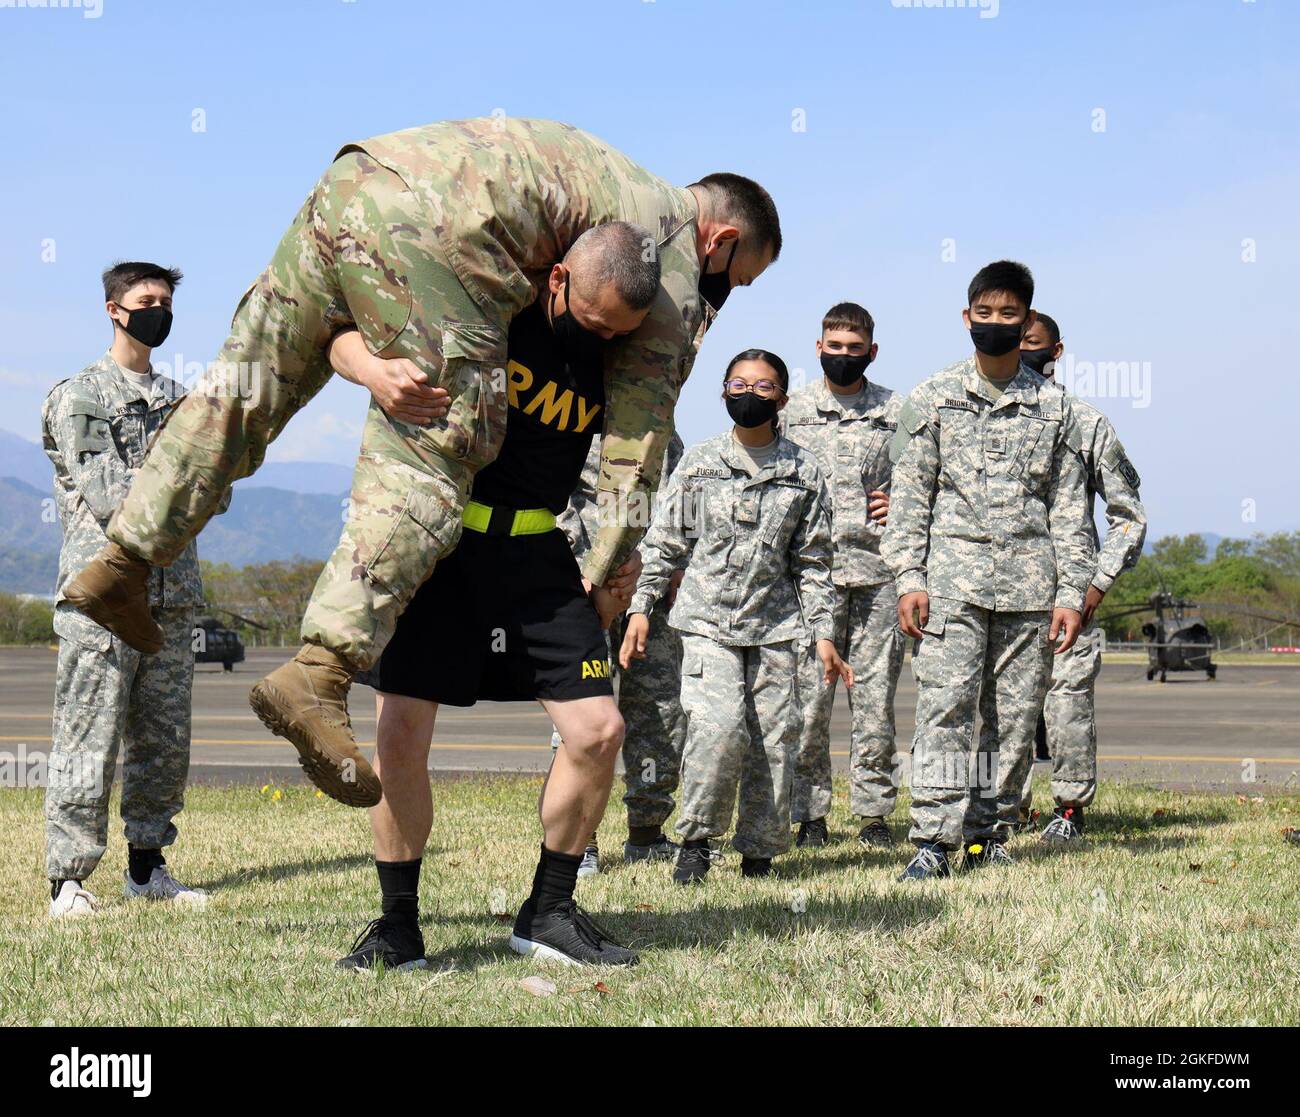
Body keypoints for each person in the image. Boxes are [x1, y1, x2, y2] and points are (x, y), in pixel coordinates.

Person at [62, 118, 782, 809]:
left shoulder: (613, 177)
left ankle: (123, 559)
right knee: (440, 439)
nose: (720, 296)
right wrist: (606, 568)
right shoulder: (665, 256)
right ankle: (321, 670)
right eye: (736, 277)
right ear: (721, 237)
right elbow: (638, 444)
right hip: (437, 237)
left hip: (353, 180)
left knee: (245, 387)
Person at [337, 224, 657, 970]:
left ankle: (547, 913)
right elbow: (336, 332)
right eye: (594, 320)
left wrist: (621, 546)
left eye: (618, 330)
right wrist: (375, 374)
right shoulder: (486, 310)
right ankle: (397, 928)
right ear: (557, 282)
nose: (601, 338)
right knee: (401, 735)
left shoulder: (628, 351)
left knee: (598, 729)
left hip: (538, 550)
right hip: (442, 543)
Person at [882, 261, 1095, 881]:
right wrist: (909, 578)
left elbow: (1069, 509)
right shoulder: (932, 397)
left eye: (1009, 316)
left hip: (1032, 587)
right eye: (985, 313)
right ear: (966, 315)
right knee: (945, 709)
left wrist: (1072, 593)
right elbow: (910, 497)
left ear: (1027, 322)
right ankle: (932, 839)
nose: (996, 324)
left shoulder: (1057, 410)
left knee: (1014, 715)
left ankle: (989, 832)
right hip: (950, 586)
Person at [621, 350, 852, 885]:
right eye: (739, 384)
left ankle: (760, 850)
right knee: (718, 729)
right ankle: (697, 840)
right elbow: (664, 545)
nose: (750, 394)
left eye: (764, 387)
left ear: (783, 400)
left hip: (775, 629)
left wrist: (823, 634)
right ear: (723, 392)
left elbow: (814, 563)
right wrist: (641, 608)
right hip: (707, 624)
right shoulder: (700, 465)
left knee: (774, 738)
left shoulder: (804, 472)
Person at [40, 262, 213, 919]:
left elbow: (216, 490)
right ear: (114, 309)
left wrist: (188, 480)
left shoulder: (181, 398)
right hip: (104, 596)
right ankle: (68, 880)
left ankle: (148, 868)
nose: (158, 313)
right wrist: (180, 476)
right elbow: (111, 494)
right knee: (89, 736)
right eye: (147, 302)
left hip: (171, 594)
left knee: (164, 741)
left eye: (166, 302)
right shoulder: (80, 394)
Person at [1014, 312, 1147, 840]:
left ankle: (1069, 810)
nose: (1020, 349)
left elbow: (1129, 516)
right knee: (1004, 711)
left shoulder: (1083, 422)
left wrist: (1097, 584)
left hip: (1068, 597)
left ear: (1056, 351)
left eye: (1031, 341)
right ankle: (1006, 810)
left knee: (1067, 706)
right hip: (997, 595)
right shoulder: (970, 419)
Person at [781, 302, 905, 849]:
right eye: (834, 348)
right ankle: (810, 815)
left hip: (879, 575)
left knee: (875, 703)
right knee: (809, 702)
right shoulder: (792, 411)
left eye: (854, 349)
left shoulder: (899, 412)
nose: (843, 357)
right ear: (818, 349)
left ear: (871, 352)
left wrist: (898, 498)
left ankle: (875, 815)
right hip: (813, 576)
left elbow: (926, 476)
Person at [554, 429, 689, 876]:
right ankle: (580, 841)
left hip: (649, 590)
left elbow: (679, 503)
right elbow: (554, 496)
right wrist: (577, 564)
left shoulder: (663, 434)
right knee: (581, 715)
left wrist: (676, 564)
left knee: (658, 712)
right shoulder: (573, 423)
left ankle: (646, 834)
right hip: (583, 587)